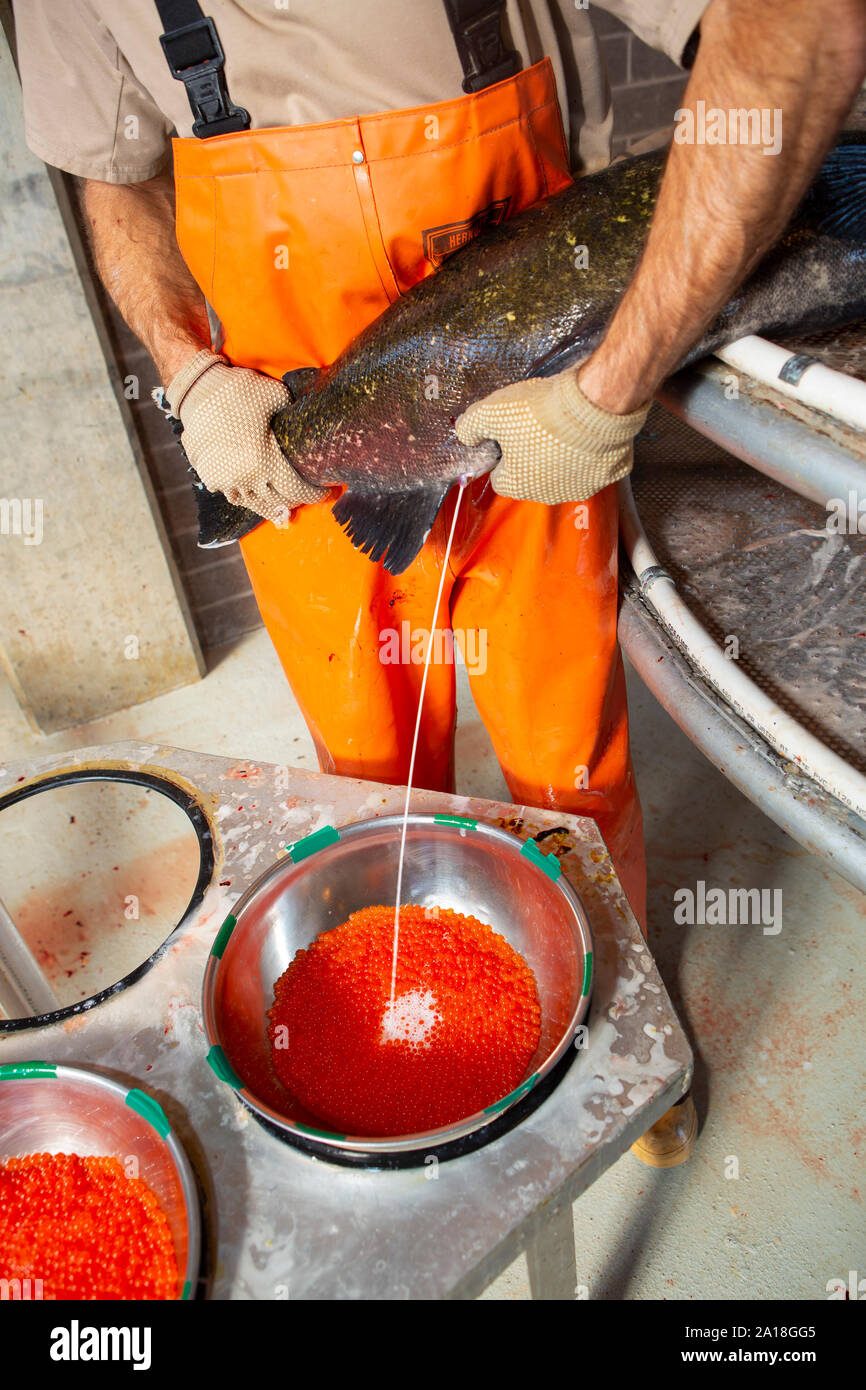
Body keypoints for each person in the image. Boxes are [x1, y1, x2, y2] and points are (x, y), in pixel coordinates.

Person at [14, 1, 866, 1168]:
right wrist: (188, 371)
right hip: (286, 403)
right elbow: (112, 180)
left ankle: (616, 1029)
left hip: (542, 380)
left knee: (568, 760)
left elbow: (791, 27)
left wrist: (607, 387)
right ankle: (404, 1029)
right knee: (362, 777)